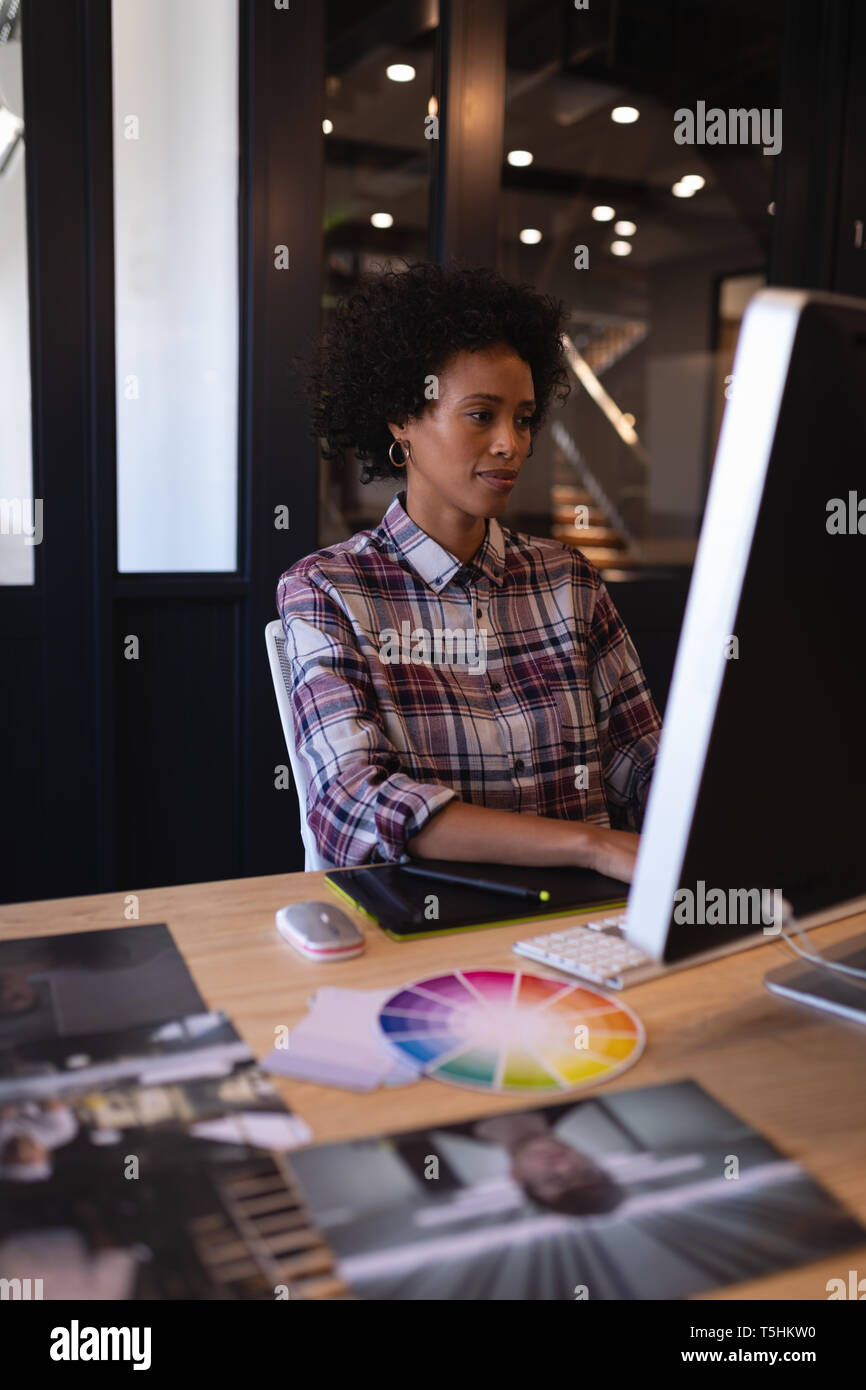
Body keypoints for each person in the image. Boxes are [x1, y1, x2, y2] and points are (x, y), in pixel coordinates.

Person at [277, 261, 661, 876]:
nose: (511, 443)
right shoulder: (330, 590)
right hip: (436, 935)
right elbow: (351, 805)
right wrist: (587, 844)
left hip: (588, 924)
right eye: (482, 415)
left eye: (525, 418)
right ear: (402, 420)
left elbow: (643, 764)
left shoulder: (570, 582)